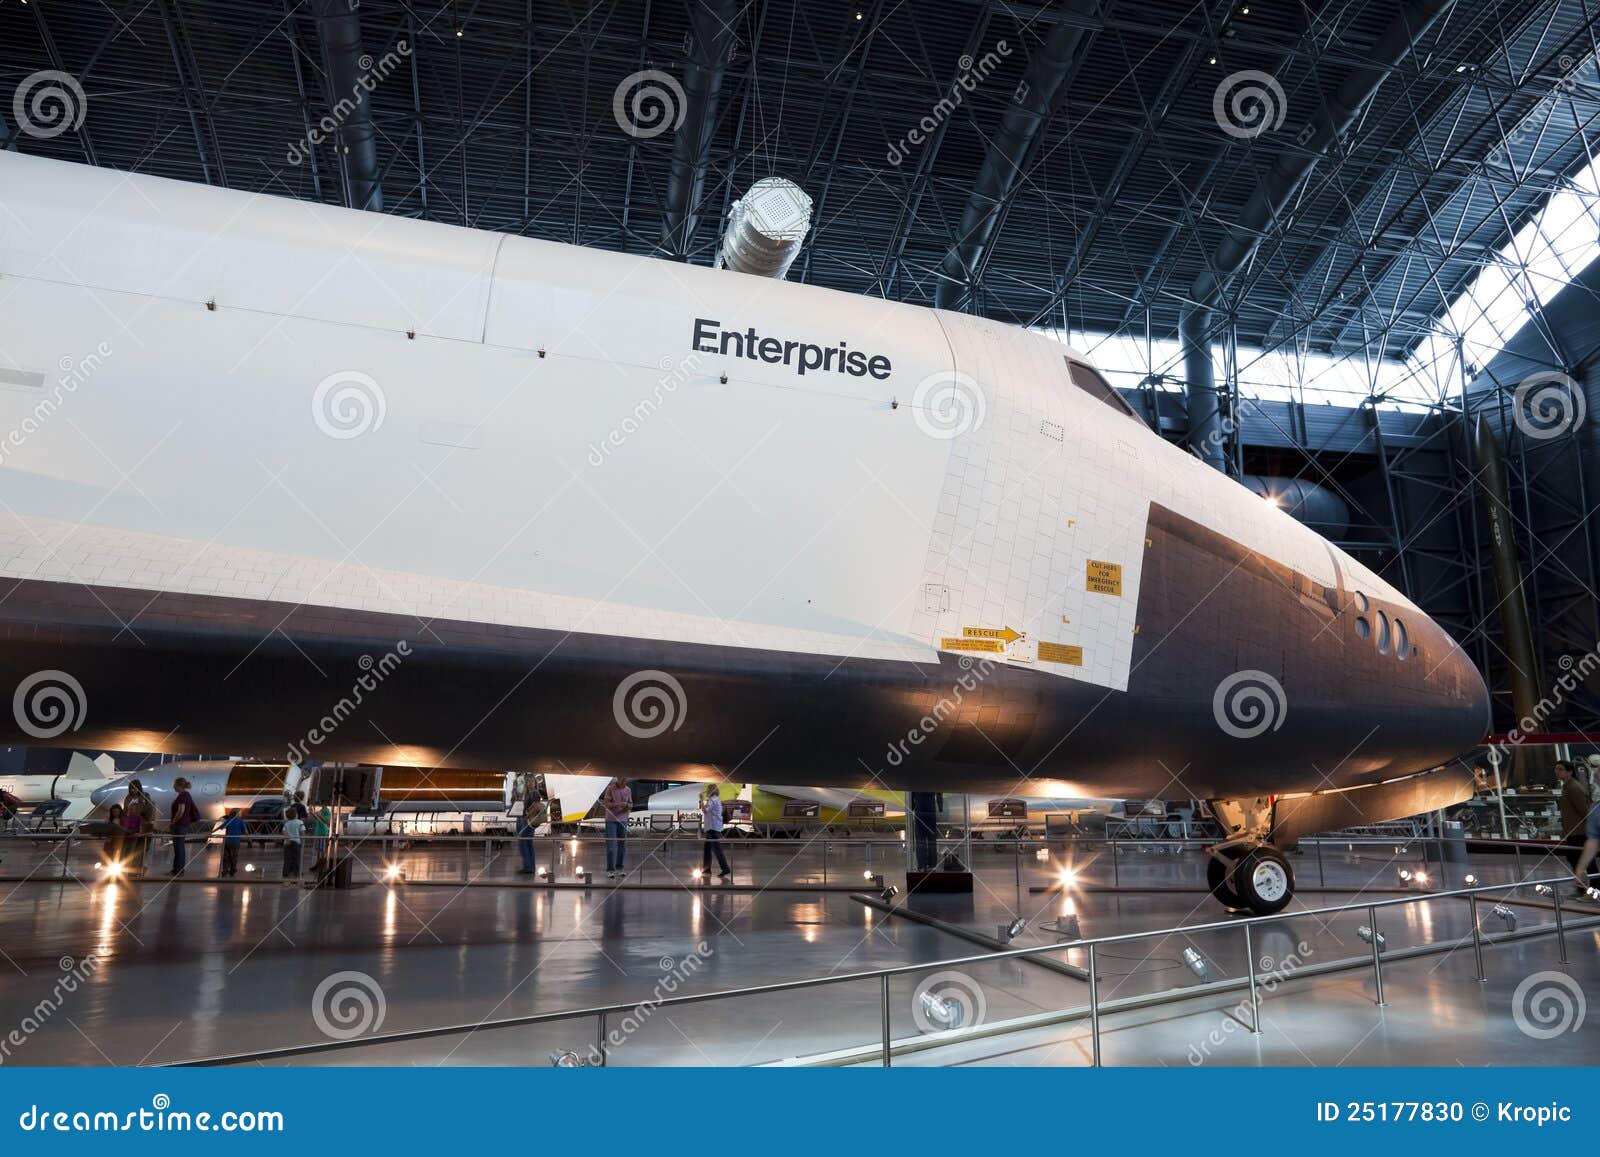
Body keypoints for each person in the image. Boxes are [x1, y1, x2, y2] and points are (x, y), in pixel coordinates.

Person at [1555, 761, 1591, 891]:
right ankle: (1581, 889)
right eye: (1556, 769)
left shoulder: (1574, 788)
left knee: (1587, 862)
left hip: (1580, 832)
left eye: (1560, 769)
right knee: (1573, 859)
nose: (1557, 771)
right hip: (1572, 831)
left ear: (1569, 771)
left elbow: (1584, 811)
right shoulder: (1567, 787)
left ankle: (1595, 890)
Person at [169, 776, 200, 876]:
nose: (173, 786)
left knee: (179, 848)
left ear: (178, 785)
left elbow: (181, 811)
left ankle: (178, 870)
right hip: (183, 824)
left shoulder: (183, 796)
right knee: (179, 847)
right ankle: (177, 869)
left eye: (174, 784)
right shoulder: (186, 795)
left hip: (180, 825)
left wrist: (173, 822)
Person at [602, 778, 633, 878]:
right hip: (611, 820)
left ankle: (620, 868)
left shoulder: (628, 790)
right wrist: (618, 804)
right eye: (622, 780)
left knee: (622, 845)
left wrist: (627, 806)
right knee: (611, 846)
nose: (623, 782)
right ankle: (610, 870)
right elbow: (606, 804)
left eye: (625, 780)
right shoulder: (610, 788)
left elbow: (631, 804)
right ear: (618, 779)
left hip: (623, 820)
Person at [700, 786, 731, 881]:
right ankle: (707, 870)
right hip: (714, 828)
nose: (706, 791)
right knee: (708, 849)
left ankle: (724, 869)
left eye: (708, 790)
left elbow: (705, 810)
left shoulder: (712, 800)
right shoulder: (716, 799)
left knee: (716, 850)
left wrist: (701, 800)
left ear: (711, 791)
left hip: (712, 828)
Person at [516, 786, 547, 876]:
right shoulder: (536, 793)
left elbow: (526, 809)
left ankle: (528, 867)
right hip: (532, 824)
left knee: (523, 843)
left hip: (527, 821)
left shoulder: (529, 794)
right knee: (529, 844)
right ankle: (531, 867)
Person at [219, 809, 246, 878]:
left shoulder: (229, 821)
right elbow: (244, 830)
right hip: (235, 842)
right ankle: (232, 870)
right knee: (234, 857)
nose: (241, 814)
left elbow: (221, 827)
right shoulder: (240, 821)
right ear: (237, 814)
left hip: (227, 842)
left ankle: (224, 871)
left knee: (226, 857)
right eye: (240, 813)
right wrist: (249, 839)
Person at [281, 810, 304, 885]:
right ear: (296, 814)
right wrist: (303, 839)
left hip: (287, 843)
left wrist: (287, 838)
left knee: (287, 858)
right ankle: (296, 872)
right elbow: (302, 832)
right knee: (296, 858)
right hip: (296, 842)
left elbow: (284, 832)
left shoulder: (286, 823)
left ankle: (285, 872)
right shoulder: (300, 822)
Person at [103, 804, 126, 871]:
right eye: (114, 812)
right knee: (108, 857)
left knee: (117, 857)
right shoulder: (109, 820)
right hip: (109, 841)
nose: (115, 813)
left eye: (117, 811)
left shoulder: (123, 820)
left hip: (118, 841)